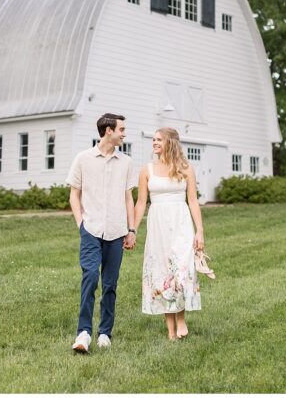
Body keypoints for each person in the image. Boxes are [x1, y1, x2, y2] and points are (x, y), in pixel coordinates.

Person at [68, 113, 138, 353]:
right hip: (91, 229)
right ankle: (84, 332)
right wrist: (81, 224)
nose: (124, 133)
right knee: (90, 277)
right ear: (108, 130)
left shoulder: (126, 162)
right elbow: (73, 194)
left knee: (110, 283)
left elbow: (129, 198)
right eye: (121, 129)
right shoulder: (83, 159)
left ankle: (105, 333)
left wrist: (131, 230)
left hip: (117, 232)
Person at [133, 127, 204, 339]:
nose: (154, 143)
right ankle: (171, 330)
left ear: (170, 143)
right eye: (153, 139)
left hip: (181, 223)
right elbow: (140, 203)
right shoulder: (147, 170)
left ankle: (181, 320)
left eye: (158, 140)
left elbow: (192, 201)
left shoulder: (186, 168)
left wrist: (199, 230)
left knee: (181, 267)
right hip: (158, 226)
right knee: (162, 271)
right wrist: (132, 230)